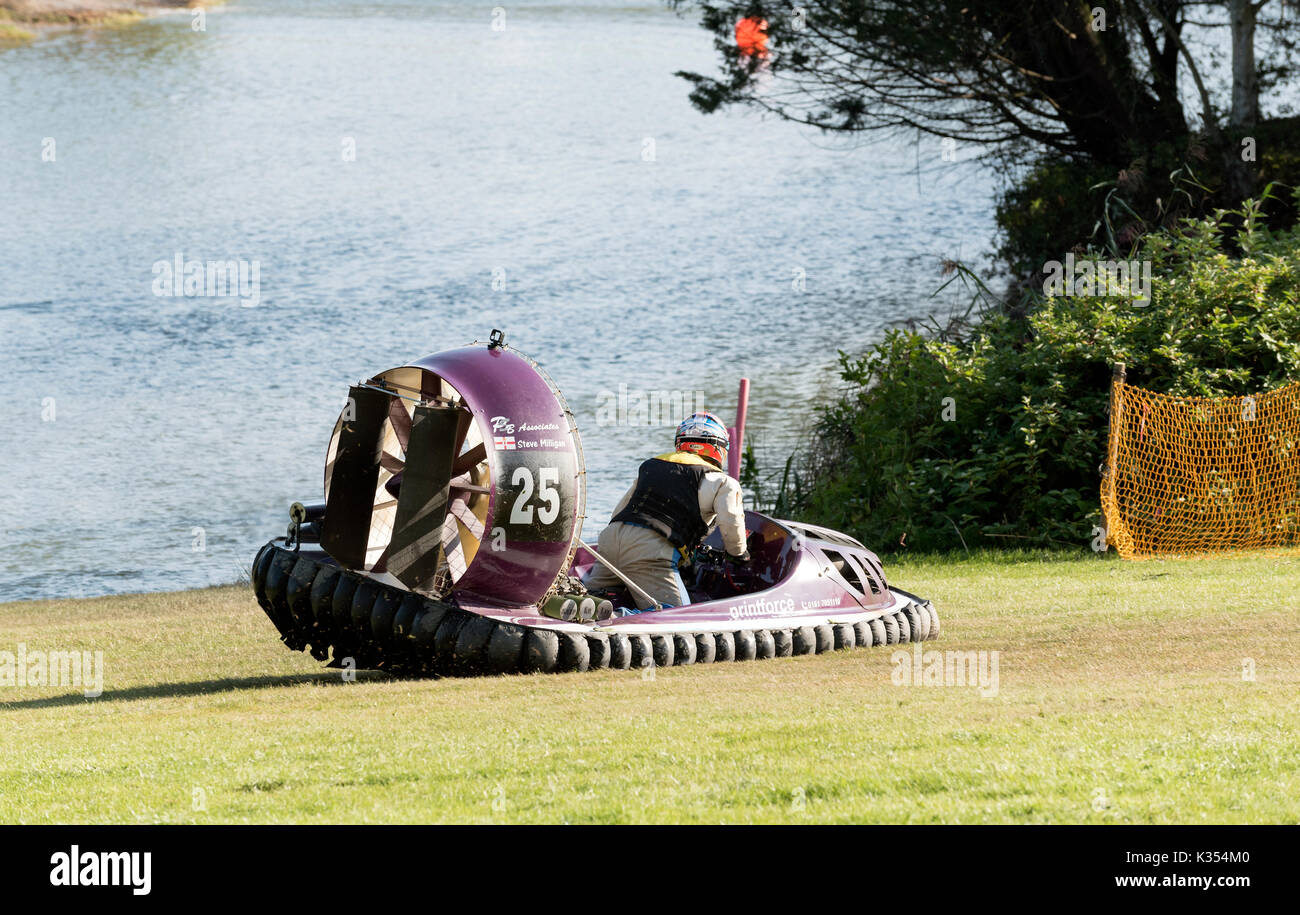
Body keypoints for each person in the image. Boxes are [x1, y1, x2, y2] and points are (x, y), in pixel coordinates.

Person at [583, 412, 750, 612]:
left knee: (587, 603)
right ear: (718, 448)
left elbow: (619, 511)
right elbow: (730, 523)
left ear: (680, 442)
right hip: (650, 553)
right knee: (677, 617)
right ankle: (620, 616)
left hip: (609, 543)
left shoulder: (651, 466)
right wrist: (739, 554)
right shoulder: (723, 482)